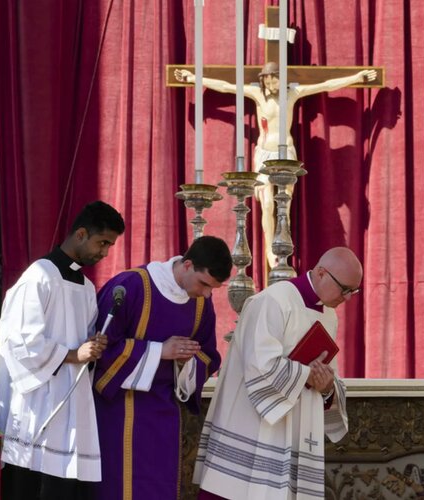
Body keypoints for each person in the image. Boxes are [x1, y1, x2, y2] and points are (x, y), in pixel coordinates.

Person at [193, 247, 361, 500]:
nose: (347, 298)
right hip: (255, 428)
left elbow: (327, 374)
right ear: (321, 273)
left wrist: (327, 387)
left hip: (296, 430)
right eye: (344, 289)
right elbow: (259, 367)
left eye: (353, 291)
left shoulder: (329, 315)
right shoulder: (272, 301)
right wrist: (306, 375)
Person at [174, 63, 378, 269]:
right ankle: (271, 251)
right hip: (263, 154)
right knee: (267, 204)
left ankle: (281, 249)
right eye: (267, 80)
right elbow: (227, 86)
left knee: (284, 207)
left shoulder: (292, 94)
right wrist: (194, 79)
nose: (271, 85)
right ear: (262, 80)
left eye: (275, 80)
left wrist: (356, 77)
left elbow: (326, 85)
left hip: (285, 154)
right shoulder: (257, 94)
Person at [0, 201, 125, 499]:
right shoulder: (40, 275)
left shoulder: (86, 287)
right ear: (81, 233)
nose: (105, 252)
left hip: (72, 404)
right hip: (39, 406)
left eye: (110, 245)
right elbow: (17, 339)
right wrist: (73, 355)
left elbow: (83, 342)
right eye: (102, 242)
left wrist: (94, 346)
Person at [91, 235, 232, 500]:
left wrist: (184, 360)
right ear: (187, 265)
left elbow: (208, 356)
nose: (205, 294)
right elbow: (102, 348)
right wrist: (159, 351)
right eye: (203, 284)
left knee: (160, 487)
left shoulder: (201, 303)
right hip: (120, 412)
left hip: (165, 414)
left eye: (213, 288)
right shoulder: (131, 286)